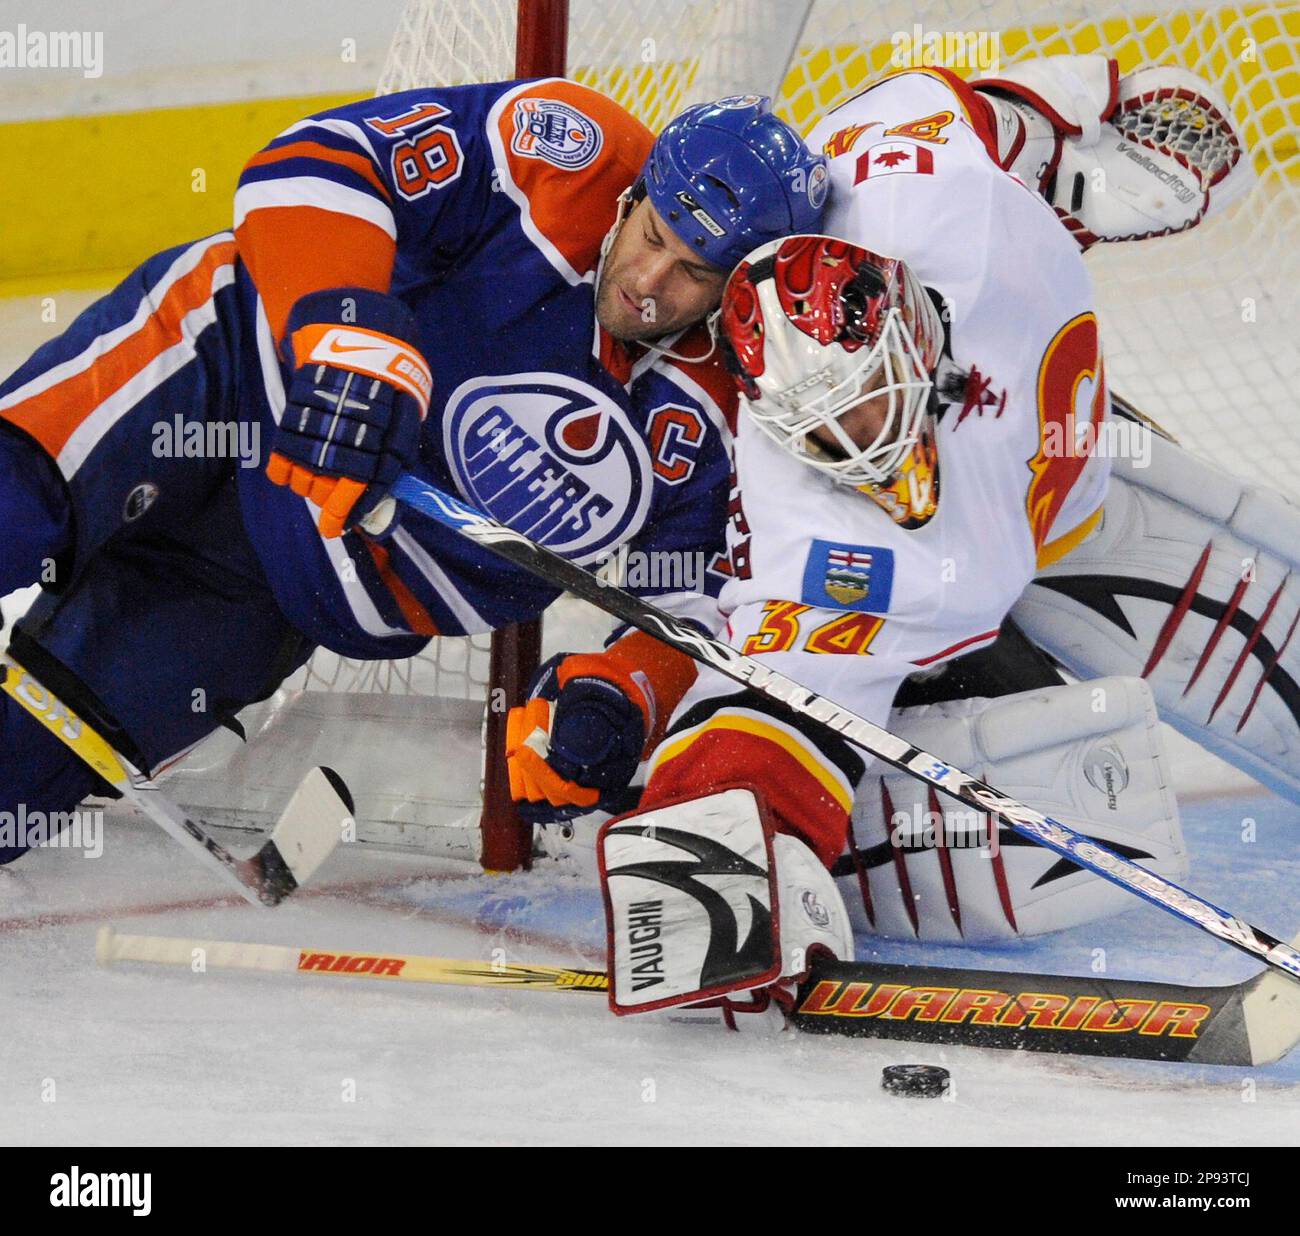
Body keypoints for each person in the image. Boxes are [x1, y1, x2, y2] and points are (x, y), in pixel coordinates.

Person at [512, 56, 1277, 1021]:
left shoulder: (920, 187)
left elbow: (961, 104)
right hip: (958, 574)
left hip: (1071, 472)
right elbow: (780, 678)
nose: (861, 452)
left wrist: (1081, 137)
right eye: (824, 432)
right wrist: (708, 842)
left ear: (914, 332)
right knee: (961, 714)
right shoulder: (817, 511)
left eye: (871, 412)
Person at [0, 78, 828, 863]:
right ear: (638, 190)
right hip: (228, 375)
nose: (650, 284)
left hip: (274, 581)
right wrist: (352, 341)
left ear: (741, 287)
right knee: (11, 501)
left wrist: (620, 697)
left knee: (21, 778)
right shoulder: (561, 156)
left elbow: (686, 599)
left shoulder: (731, 405)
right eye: (653, 236)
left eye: (694, 274)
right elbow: (311, 161)